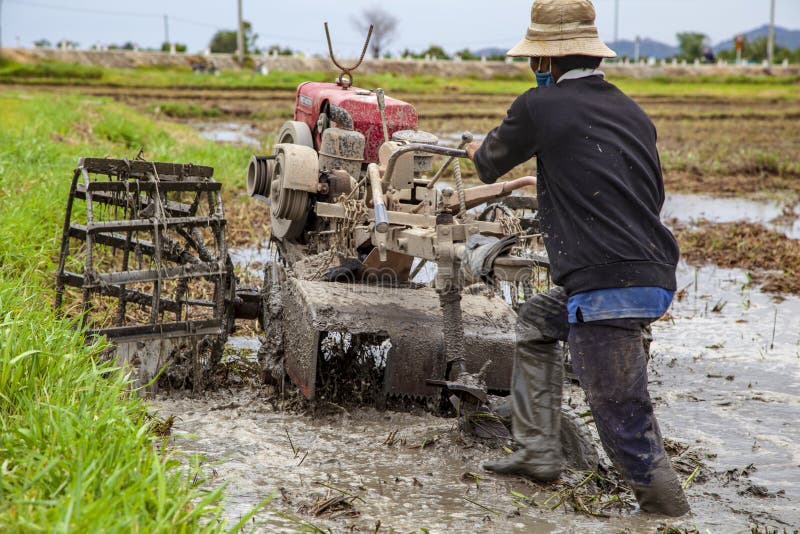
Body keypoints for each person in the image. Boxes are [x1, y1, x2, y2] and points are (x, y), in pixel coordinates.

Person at [466, 0, 691, 517]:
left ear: (546, 62)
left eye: (534, 61)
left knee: (624, 423)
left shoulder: (539, 106)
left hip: (605, 287)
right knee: (538, 320)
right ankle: (537, 449)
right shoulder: (633, 111)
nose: (532, 69)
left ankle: (669, 517)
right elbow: (647, 193)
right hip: (652, 273)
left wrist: (479, 146)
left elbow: (486, 164)